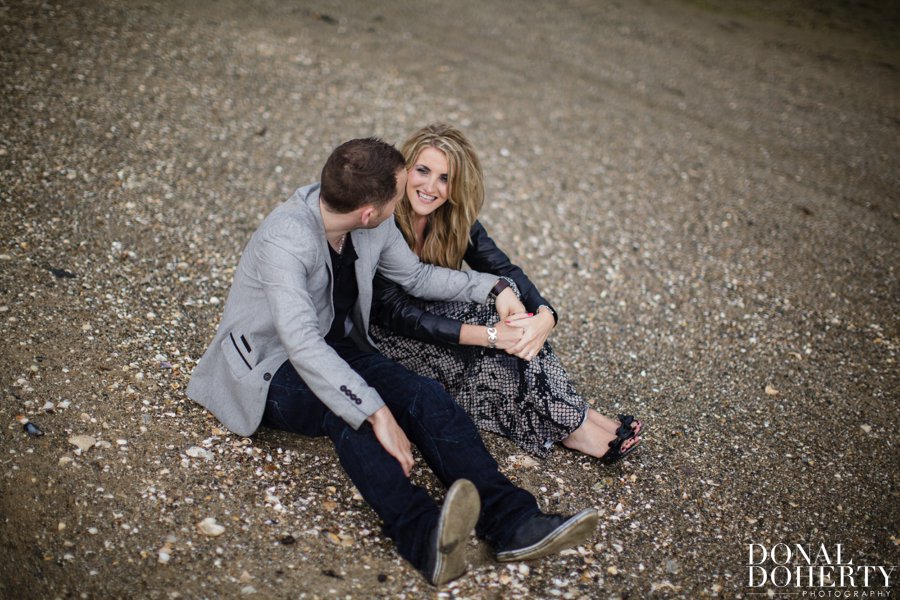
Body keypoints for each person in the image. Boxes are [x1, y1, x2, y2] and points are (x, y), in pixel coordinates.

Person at [186, 137, 599, 586]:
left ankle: (512, 521)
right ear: (369, 213)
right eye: (399, 193)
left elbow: (416, 276)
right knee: (350, 416)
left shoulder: (366, 218)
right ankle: (422, 535)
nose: (407, 199)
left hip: (335, 347)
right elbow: (301, 346)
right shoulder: (284, 241)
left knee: (425, 394)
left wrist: (493, 289)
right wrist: (375, 410)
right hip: (267, 368)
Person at [370, 124, 643, 462]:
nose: (430, 187)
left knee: (512, 306)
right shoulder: (384, 219)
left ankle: (580, 418)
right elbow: (395, 313)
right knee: (494, 340)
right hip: (390, 338)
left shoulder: (454, 218)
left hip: (434, 319)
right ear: (405, 169)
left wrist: (545, 315)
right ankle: (579, 427)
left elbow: (504, 269)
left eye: (444, 178)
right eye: (423, 171)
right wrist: (488, 335)